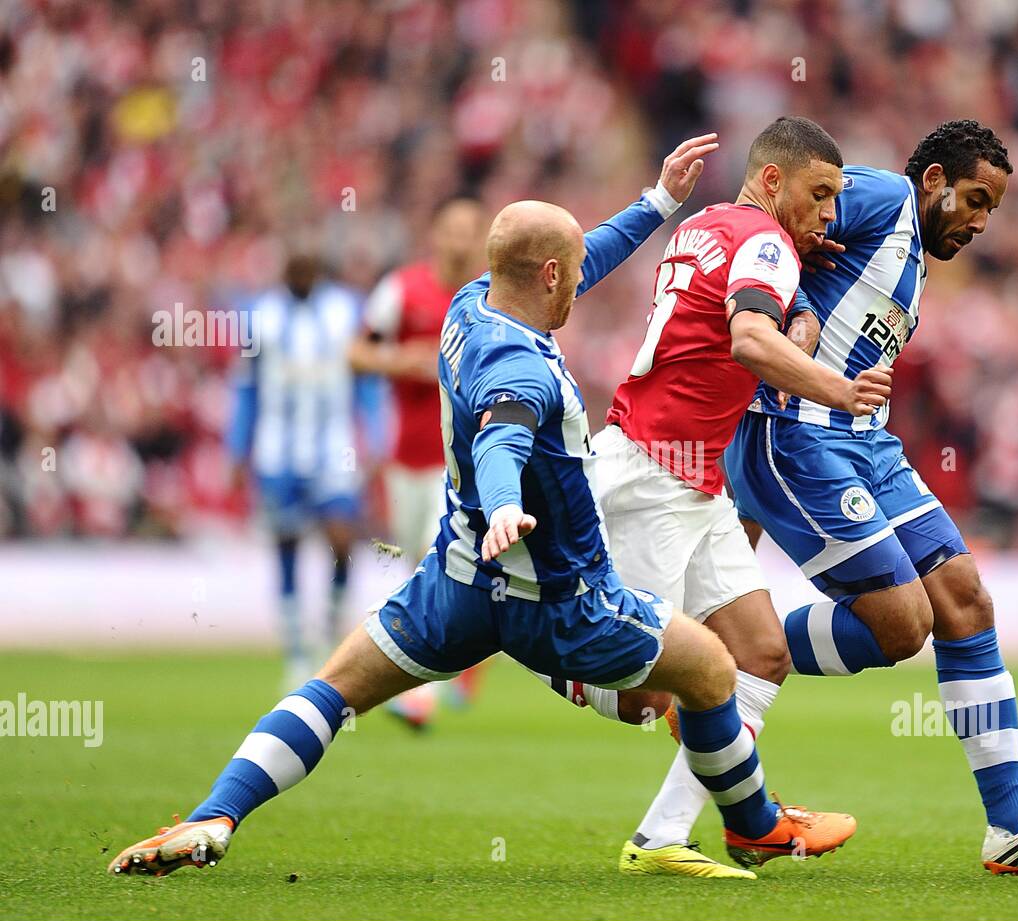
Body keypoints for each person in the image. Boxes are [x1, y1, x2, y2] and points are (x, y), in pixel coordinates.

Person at [108, 136, 856, 881]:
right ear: (550, 277)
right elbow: (505, 433)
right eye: (571, 276)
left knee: (334, 691)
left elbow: (576, 258)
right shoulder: (522, 367)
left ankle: (214, 814)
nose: (579, 285)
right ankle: (748, 820)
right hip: (556, 597)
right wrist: (505, 504)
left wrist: (657, 203)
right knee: (707, 672)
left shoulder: (472, 305)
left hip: (457, 583)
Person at [586, 116, 891, 875]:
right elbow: (750, 341)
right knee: (643, 699)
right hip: (653, 472)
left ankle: (661, 841)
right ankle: (505, 617)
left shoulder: (704, 227)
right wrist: (841, 391)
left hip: (691, 476)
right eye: (819, 195)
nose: (829, 214)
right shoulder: (767, 244)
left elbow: (736, 329)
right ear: (772, 179)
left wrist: (798, 315)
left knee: (759, 651)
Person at [349, 197, 490, 727]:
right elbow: (355, 352)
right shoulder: (401, 289)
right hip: (404, 454)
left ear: (480, 238)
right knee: (415, 559)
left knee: (440, 558)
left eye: (467, 231)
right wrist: (400, 361)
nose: (457, 241)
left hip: (460, 456)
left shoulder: (489, 297)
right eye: (449, 229)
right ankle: (462, 665)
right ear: (435, 233)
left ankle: (425, 690)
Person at [227, 254, 383, 689]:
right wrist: (237, 448)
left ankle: (330, 632)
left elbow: (366, 380)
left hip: (335, 449)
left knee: (340, 538)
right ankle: (296, 652)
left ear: (316, 272)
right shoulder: (261, 315)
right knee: (287, 543)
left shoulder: (346, 310)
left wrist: (374, 437)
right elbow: (247, 386)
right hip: (277, 450)